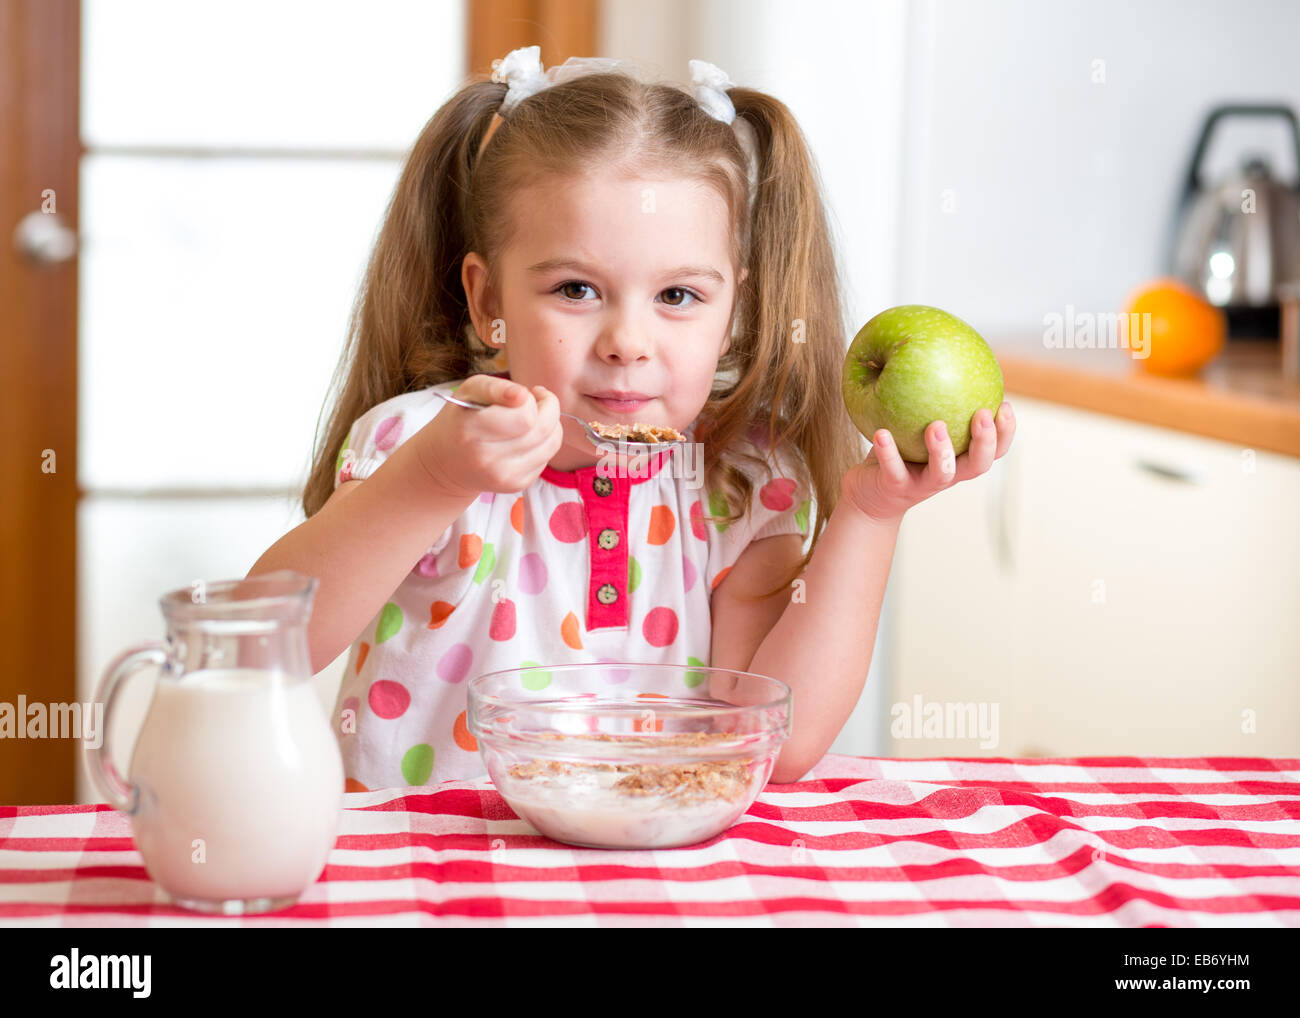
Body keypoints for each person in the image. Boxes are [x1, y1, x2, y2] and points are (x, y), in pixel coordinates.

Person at [247, 46, 1015, 791]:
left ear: (732, 309)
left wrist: (873, 514)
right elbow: (257, 654)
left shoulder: (742, 481)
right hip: (426, 876)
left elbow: (778, 742)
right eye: (577, 290)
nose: (626, 344)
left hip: (648, 885)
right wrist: (431, 478)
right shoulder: (425, 441)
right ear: (489, 304)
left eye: (677, 297)